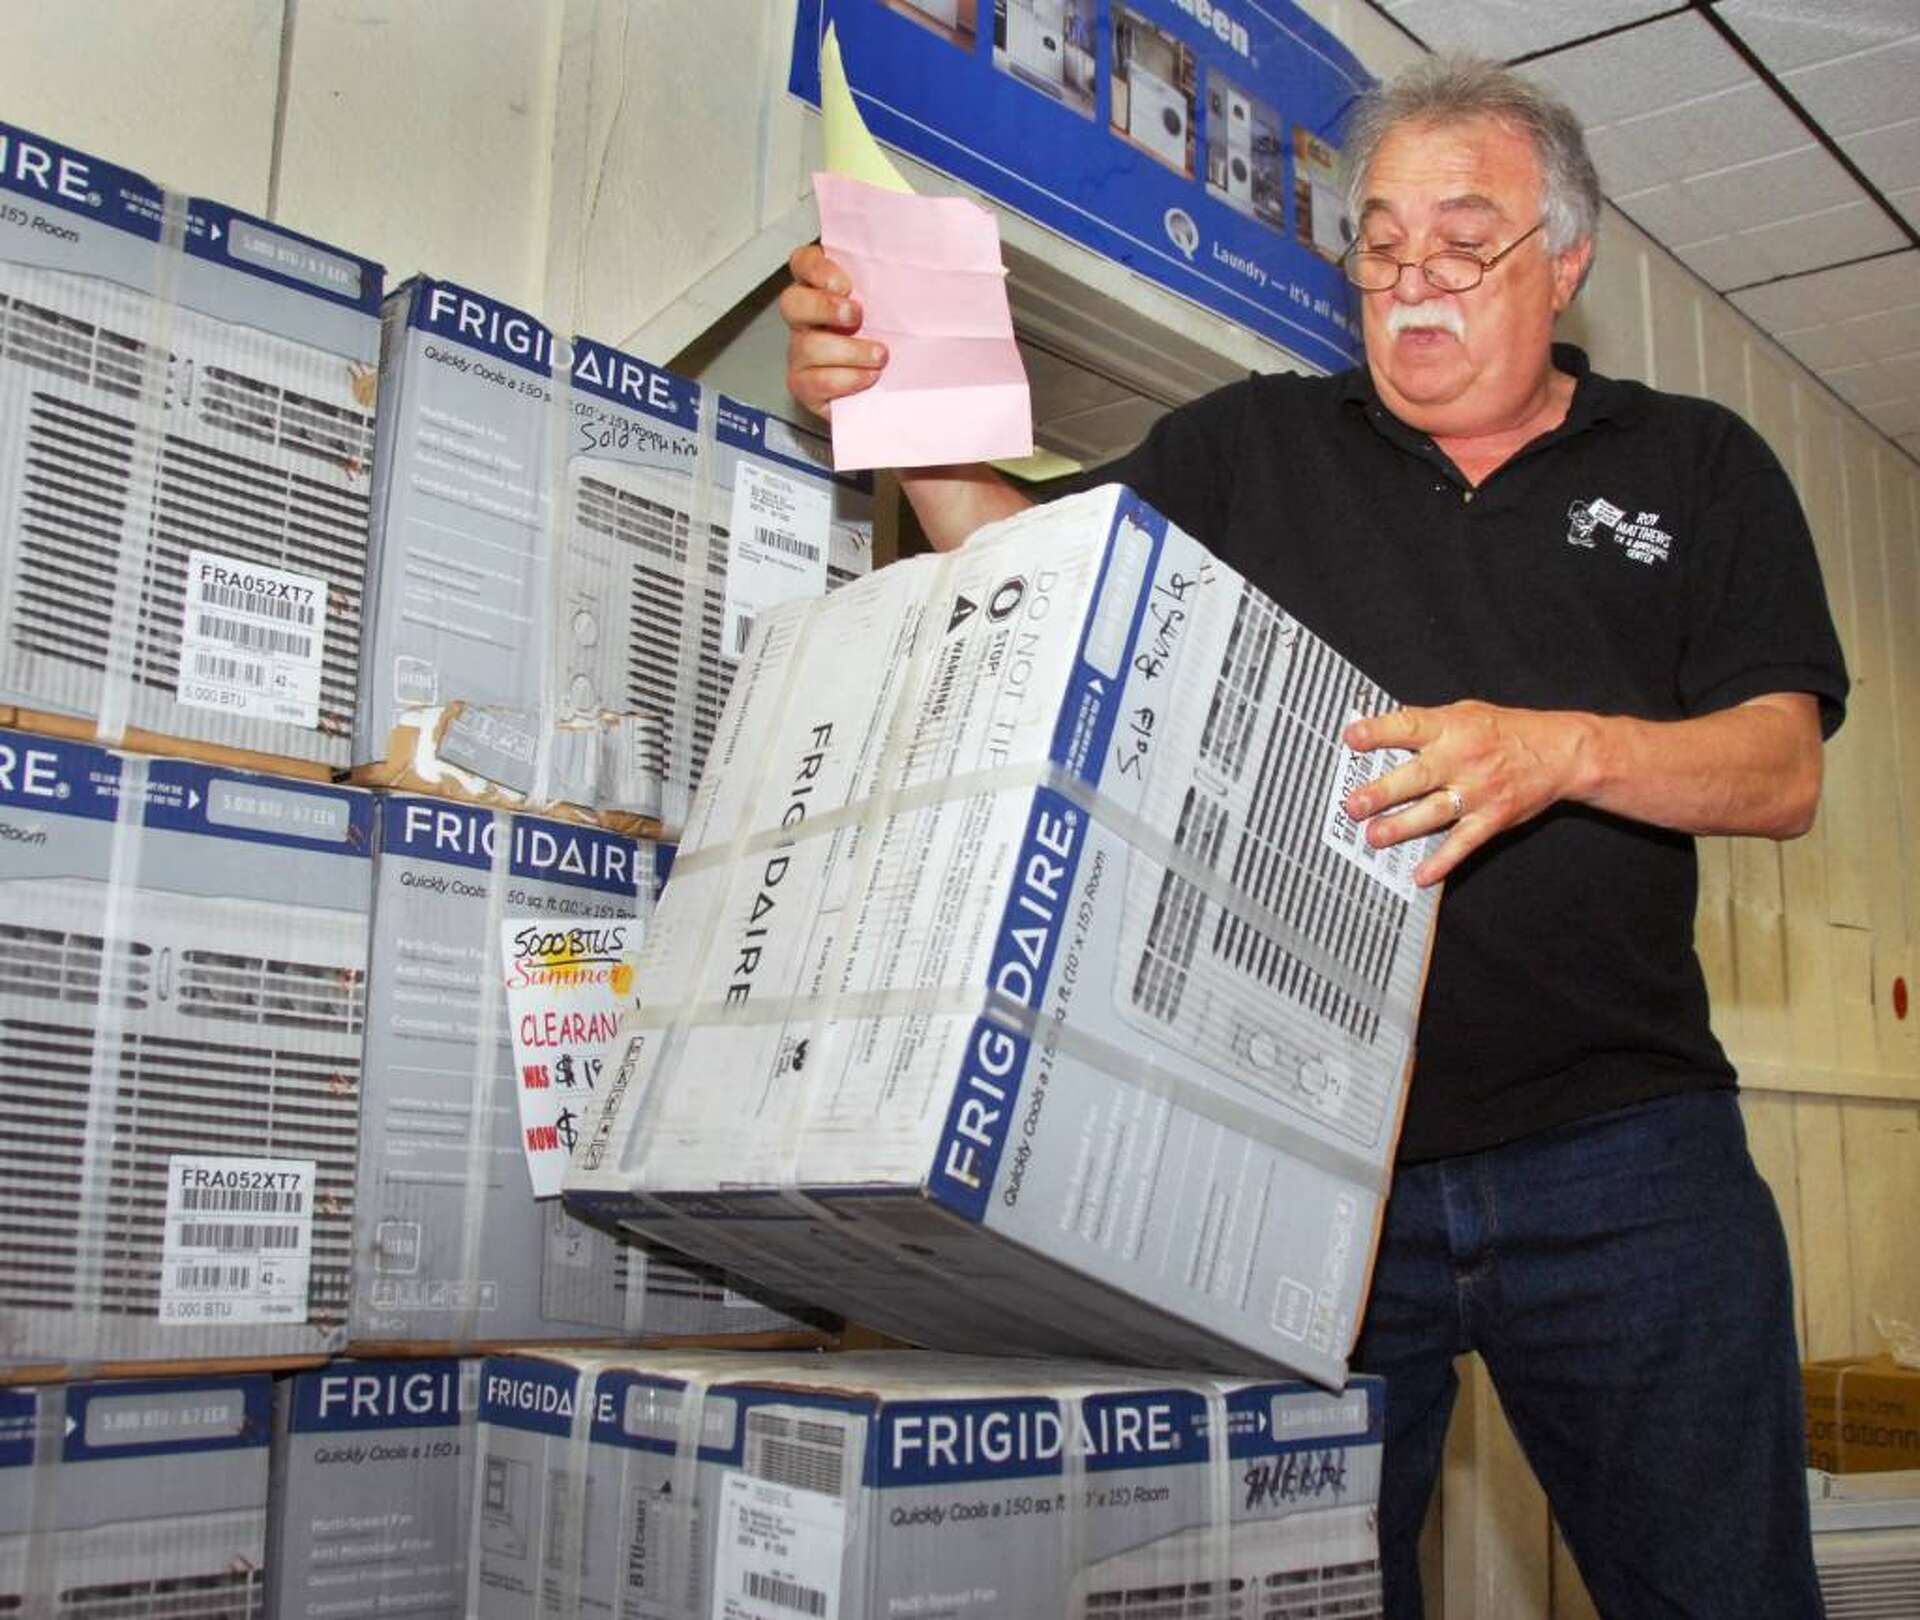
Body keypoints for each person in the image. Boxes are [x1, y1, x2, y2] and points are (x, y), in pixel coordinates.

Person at [780, 52, 1847, 1620]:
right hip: (1306, 1163)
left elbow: (1779, 767)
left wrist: (1561, 750)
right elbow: (1037, 576)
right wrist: (902, 416)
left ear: (1563, 261)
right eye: (1382, 241)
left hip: (1628, 1164)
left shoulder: (1696, 468)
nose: (1413, 278)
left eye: (1463, 241)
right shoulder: (1251, 450)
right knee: (1308, 1598)